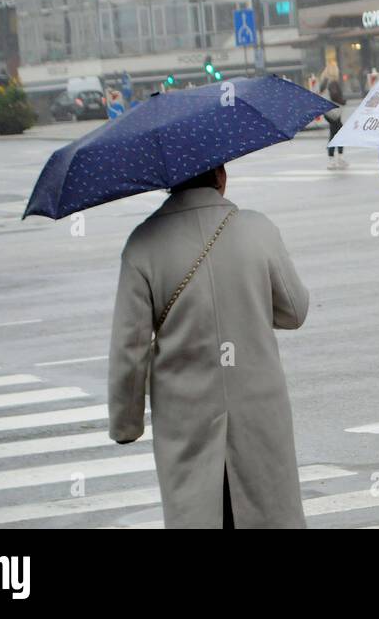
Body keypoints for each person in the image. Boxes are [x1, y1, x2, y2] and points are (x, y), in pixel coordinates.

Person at [108, 164, 310, 528]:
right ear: (220, 175)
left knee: (198, 513)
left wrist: (127, 424)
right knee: (267, 512)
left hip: (187, 415)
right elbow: (294, 311)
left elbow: (129, 348)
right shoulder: (256, 229)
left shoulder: (143, 244)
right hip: (257, 409)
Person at [317, 63, 348, 169]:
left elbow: (320, 93)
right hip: (334, 111)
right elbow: (335, 95)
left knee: (334, 134)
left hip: (328, 112)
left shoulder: (324, 82)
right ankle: (337, 159)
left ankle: (333, 159)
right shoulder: (333, 82)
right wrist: (343, 101)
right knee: (339, 135)